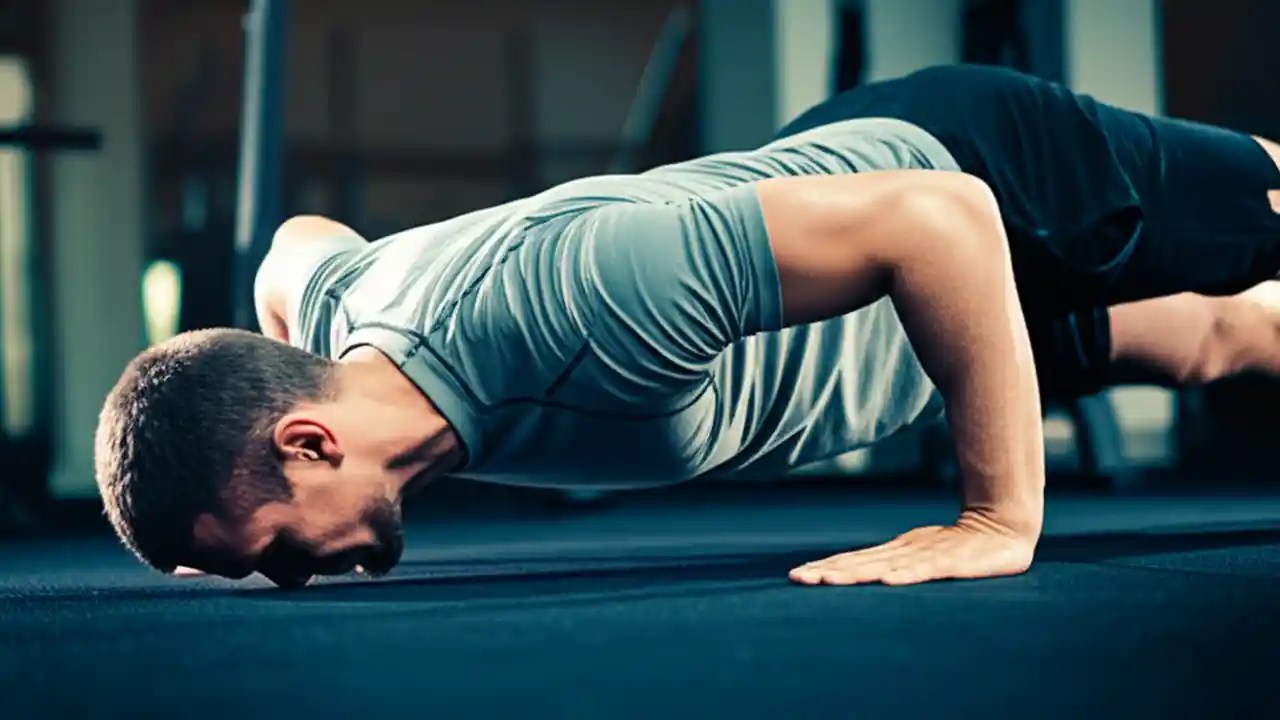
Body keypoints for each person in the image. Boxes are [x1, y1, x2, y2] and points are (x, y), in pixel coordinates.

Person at [94, 64, 1280, 590]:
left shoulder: (575, 298)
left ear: (306, 441)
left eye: (277, 555)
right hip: (909, 335)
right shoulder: (335, 319)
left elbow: (941, 219)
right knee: (1222, 341)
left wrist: (993, 518)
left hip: (972, 180)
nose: (297, 583)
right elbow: (294, 246)